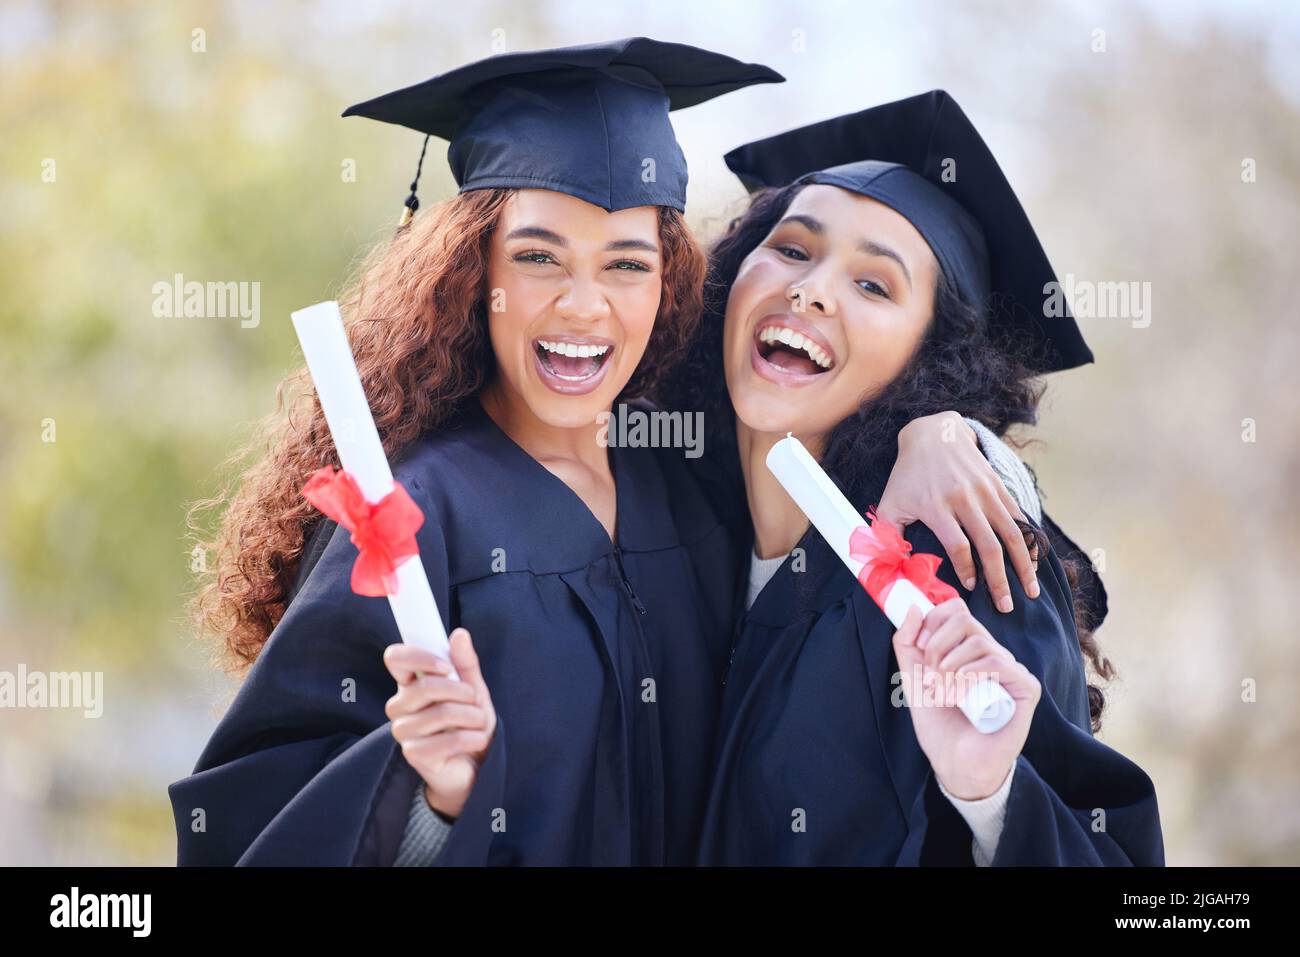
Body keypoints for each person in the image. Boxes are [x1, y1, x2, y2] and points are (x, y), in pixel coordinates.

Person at [169, 37, 781, 866]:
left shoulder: (694, 489)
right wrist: (433, 799)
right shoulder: (410, 513)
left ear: (667, 281)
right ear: (470, 269)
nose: (584, 305)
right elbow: (251, 827)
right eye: (538, 257)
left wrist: (946, 437)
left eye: (627, 264)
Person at [661, 91, 1165, 864]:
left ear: (928, 360)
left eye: (874, 285)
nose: (811, 287)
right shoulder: (666, 523)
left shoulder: (956, 560)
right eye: (793, 248)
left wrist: (992, 797)